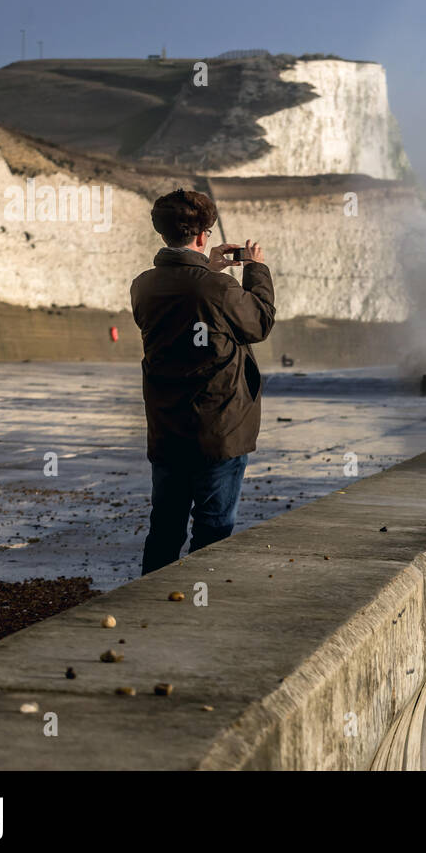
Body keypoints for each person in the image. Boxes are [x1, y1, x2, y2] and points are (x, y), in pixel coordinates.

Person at [130, 189, 275, 574]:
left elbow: (187, 306)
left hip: (166, 429)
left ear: (163, 234)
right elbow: (259, 323)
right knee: (213, 528)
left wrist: (207, 271)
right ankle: (199, 606)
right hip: (218, 430)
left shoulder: (142, 286)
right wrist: (255, 269)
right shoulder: (219, 289)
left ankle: (148, 601)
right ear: (201, 236)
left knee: (164, 527)